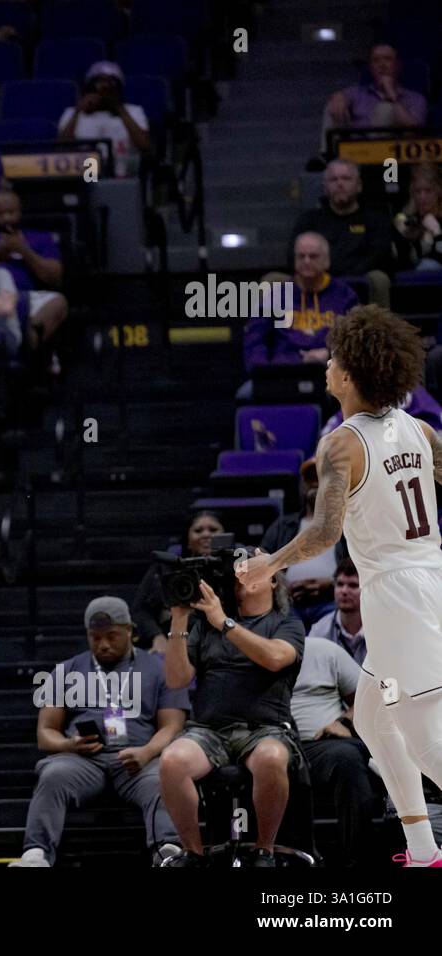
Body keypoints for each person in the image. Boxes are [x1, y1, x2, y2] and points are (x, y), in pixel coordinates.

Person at [238, 304, 442, 866]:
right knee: (376, 720)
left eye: (333, 357)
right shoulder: (420, 429)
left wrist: (265, 566)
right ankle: (424, 850)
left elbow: (325, 533)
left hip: (397, 594)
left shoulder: (340, 444)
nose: (326, 364)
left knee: (426, 739)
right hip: (427, 578)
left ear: (349, 374)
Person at [11, 597, 189, 867]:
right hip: (83, 760)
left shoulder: (159, 668)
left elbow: (173, 725)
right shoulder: (67, 669)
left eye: (111, 636)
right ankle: (36, 856)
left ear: (130, 630)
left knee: (162, 779)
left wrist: (148, 751)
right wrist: (70, 745)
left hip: (138, 759)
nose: (103, 645)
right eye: (95, 638)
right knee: (53, 774)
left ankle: (167, 853)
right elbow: (45, 733)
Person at [160, 548, 306, 867]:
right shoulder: (206, 626)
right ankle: (193, 854)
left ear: (274, 583)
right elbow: (176, 679)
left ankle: (264, 851)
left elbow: (275, 658)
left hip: (264, 729)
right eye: (242, 572)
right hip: (209, 730)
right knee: (172, 761)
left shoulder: (286, 624)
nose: (248, 577)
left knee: (271, 757)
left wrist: (224, 622)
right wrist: (180, 619)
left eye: (258, 571)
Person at [291, 627, 378, 866]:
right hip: (271, 742)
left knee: (348, 755)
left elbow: (369, 698)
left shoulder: (324, 650)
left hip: (321, 745)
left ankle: (359, 858)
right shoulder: (248, 657)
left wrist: (344, 721)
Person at [244, 233, 359, 379]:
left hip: (331, 373)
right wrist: (263, 373)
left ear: (327, 261)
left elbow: (355, 342)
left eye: (313, 256)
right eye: (301, 256)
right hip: (283, 373)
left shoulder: (345, 295)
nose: (306, 261)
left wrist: (330, 354)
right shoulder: (276, 296)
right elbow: (255, 339)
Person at [0, 189, 69, 350]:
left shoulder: (39, 237)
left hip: (26, 296)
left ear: (20, 211)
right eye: (0, 214)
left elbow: (54, 275)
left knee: (58, 302)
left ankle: (28, 348)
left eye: (11, 212)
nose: (7, 218)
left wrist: (24, 250)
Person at [286, 160, 396, 305]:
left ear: (359, 186)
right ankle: (267, 327)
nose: (339, 184)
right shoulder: (309, 220)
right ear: (325, 187)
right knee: (272, 280)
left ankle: (379, 327)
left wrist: (337, 272)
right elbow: (292, 256)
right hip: (314, 280)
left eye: (346, 178)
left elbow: (380, 257)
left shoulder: (376, 219)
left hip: (360, 282)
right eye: (333, 179)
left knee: (379, 278)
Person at [259, 456, 346, 627]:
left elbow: (360, 567)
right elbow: (261, 561)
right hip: (288, 604)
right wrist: (282, 587)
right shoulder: (283, 526)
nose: (315, 484)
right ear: (302, 485)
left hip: (333, 602)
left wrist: (331, 584)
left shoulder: (348, 526)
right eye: (311, 478)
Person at [132, 510, 226, 654]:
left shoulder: (238, 567)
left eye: (213, 530)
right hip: (176, 644)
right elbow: (141, 610)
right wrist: (157, 637)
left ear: (227, 537)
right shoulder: (167, 566)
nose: (206, 534)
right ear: (188, 540)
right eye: (198, 530)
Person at [57, 62, 150, 179]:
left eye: (110, 83)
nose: (104, 88)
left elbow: (144, 145)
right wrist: (78, 111)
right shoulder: (72, 113)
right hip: (86, 174)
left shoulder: (133, 111)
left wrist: (119, 108)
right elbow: (61, 148)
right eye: (99, 82)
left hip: (123, 172)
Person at [324, 43, 427, 132]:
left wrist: (392, 97)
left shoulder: (415, 98)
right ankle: (326, 154)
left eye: (387, 59)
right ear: (370, 67)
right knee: (332, 106)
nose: (382, 65)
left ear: (397, 65)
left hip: (392, 150)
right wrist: (338, 96)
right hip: (357, 149)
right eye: (376, 60)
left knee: (385, 108)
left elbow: (415, 131)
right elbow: (339, 97)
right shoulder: (358, 93)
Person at [308, 560, 366, 665]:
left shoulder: (381, 630)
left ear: (366, 590)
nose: (344, 591)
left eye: (353, 585)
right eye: (340, 584)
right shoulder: (319, 631)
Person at [393, 163, 442, 271]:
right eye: (417, 191)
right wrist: (402, 238)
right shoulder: (407, 219)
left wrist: (436, 232)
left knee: (428, 266)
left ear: (438, 191)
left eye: (428, 191)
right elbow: (400, 262)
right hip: (410, 281)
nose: (422, 197)